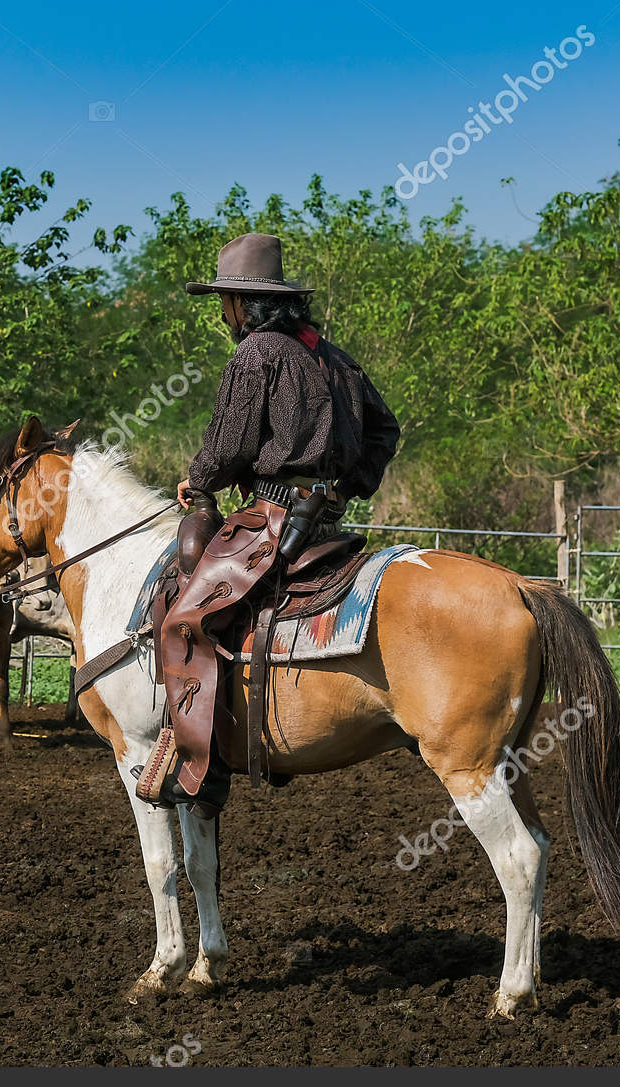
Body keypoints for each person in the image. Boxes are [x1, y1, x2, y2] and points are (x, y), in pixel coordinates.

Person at [137, 233, 400, 812]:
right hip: (329, 521)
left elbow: (229, 443)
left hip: (275, 519)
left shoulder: (256, 353)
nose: (223, 313)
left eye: (224, 301)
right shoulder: (334, 356)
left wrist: (198, 480)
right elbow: (387, 430)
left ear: (240, 303)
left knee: (186, 613)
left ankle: (196, 760)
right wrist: (348, 485)